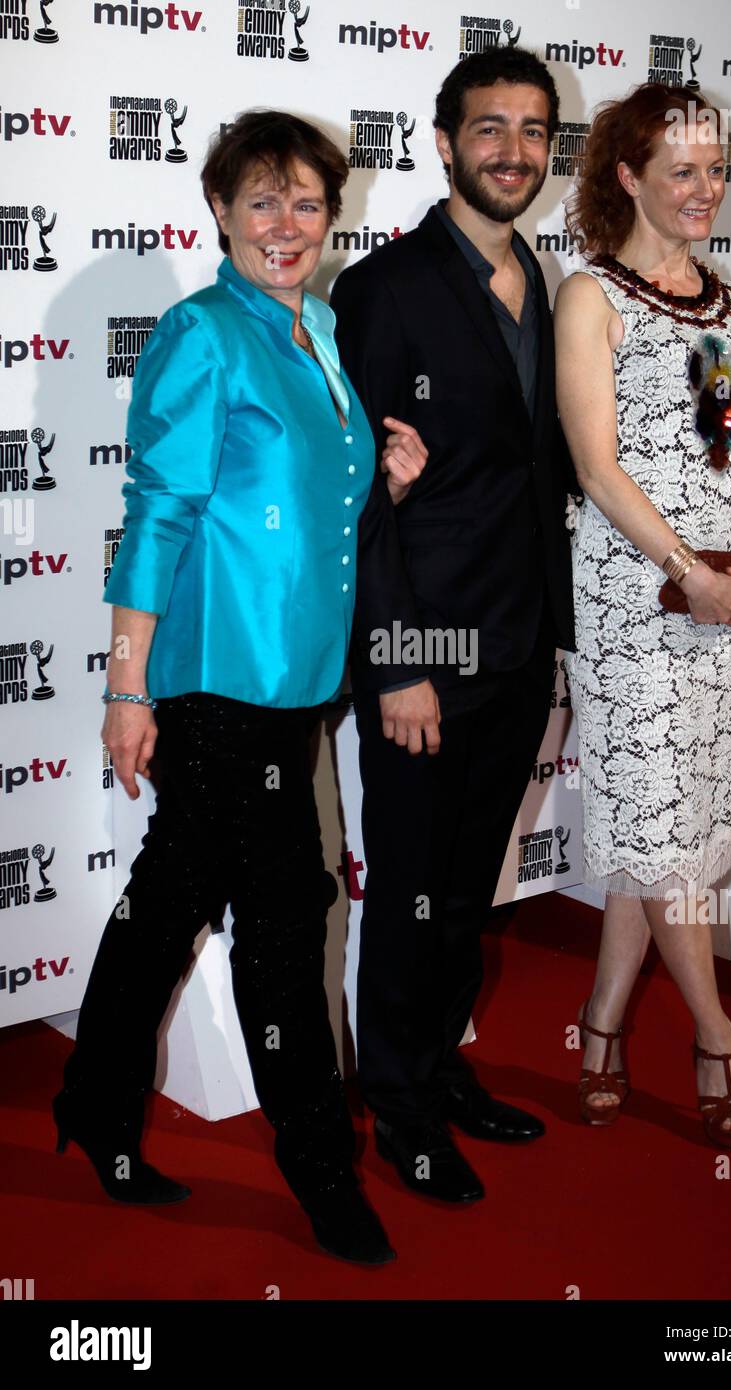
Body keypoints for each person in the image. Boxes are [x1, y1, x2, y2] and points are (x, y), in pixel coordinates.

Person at [53, 109, 427, 1264]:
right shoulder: (202, 332)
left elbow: (304, 507)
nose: (286, 222)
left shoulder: (315, 322)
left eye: (307, 202)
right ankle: (317, 1163)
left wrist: (388, 481)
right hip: (219, 680)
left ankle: (95, 1106)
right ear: (218, 209)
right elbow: (158, 513)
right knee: (284, 920)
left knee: (173, 894)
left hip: (299, 672)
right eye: (261, 199)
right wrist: (128, 690)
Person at [330, 48, 576, 1203]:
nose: (514, 151)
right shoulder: (385, 288)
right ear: (443, 142)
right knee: (415, 885)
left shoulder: (546, 277)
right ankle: (400, 1107)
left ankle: (440, 1067)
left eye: (533, 131)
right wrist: (395, 663)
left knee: (466, 889)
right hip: (424, 654)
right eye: (491, 129)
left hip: (520, 649)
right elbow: (359, 497)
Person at [554, 84, 731, 1149]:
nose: (704, 188)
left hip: (721, 597)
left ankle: (601, 1020)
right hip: (632, 601)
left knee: (672, 834)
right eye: (681, 168)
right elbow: (599, 470)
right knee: (657, 822)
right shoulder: (590, 297)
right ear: (627, 174)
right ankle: (712, 1032)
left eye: (715, 167)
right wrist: (687, 568)